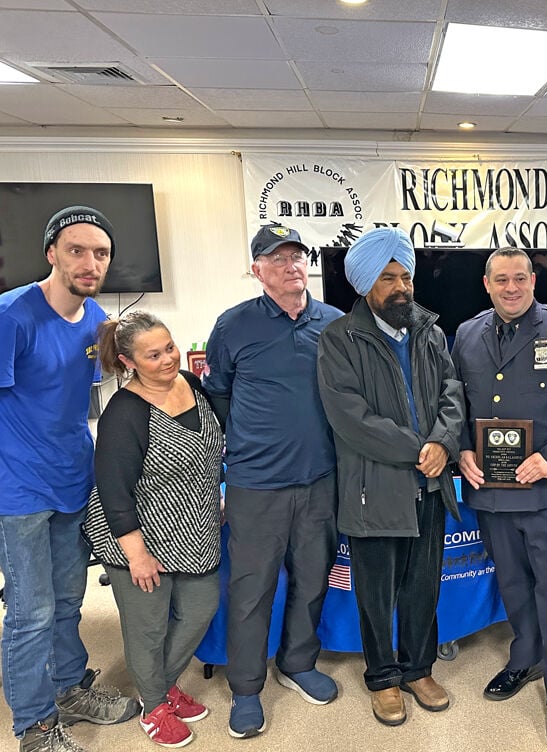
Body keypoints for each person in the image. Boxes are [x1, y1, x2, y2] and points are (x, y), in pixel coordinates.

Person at [452, 247, 547, 748]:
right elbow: (455, 404)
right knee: (514, 586)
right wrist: (459, 452)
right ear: (487, 283)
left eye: (520, 278)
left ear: (534, 281)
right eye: (502, 280)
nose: (512, 288)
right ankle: (527, 658)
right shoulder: (467, 334)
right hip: (493, 494)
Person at [0, 206, 139, 752]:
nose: (90, 261)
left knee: (65, 601)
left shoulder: (94, 318)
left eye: (100, 253)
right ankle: (33, 725)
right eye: (77, 250)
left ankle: (67, 689)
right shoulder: (12, 315)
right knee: (30, 613)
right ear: (51, 253)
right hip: (20, 487)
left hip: (71, 478)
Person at [316, 228, 464, 726]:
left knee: (424, 586)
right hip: (372, 490)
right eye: (387, 278)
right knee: (376, 594)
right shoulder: (339, 339)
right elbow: (350, 417)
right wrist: (419, 449)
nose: (400, 287)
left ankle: (419, 669)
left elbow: (452, 392)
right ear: (364, 286)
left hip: (430, 485)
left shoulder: (431, 331)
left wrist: (444, 443)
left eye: (405, 276)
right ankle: (383, 678)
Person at [203, 223, 343, 738]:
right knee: (250, 589)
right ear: (257, 269)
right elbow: (217, 395)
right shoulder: (233, 325)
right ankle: (245, 687)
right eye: (277, 259)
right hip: (256, 484)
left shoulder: (334, 322)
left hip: (320, 479)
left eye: (297, 256)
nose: (291, 266)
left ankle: (298, 662)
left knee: (312, 577)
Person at [83, 312, 223, 748]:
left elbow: (210, 447)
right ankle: (154, 705)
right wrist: (135, 554)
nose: (167, 358)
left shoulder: (190, 383)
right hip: (137, 535)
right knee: (148, 628)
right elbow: (113, 490)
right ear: (128, 361)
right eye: (153, 354)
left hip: (195, 528)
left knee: (201, 607)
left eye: (169, 347)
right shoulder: (123, 412)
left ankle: (159, 686)